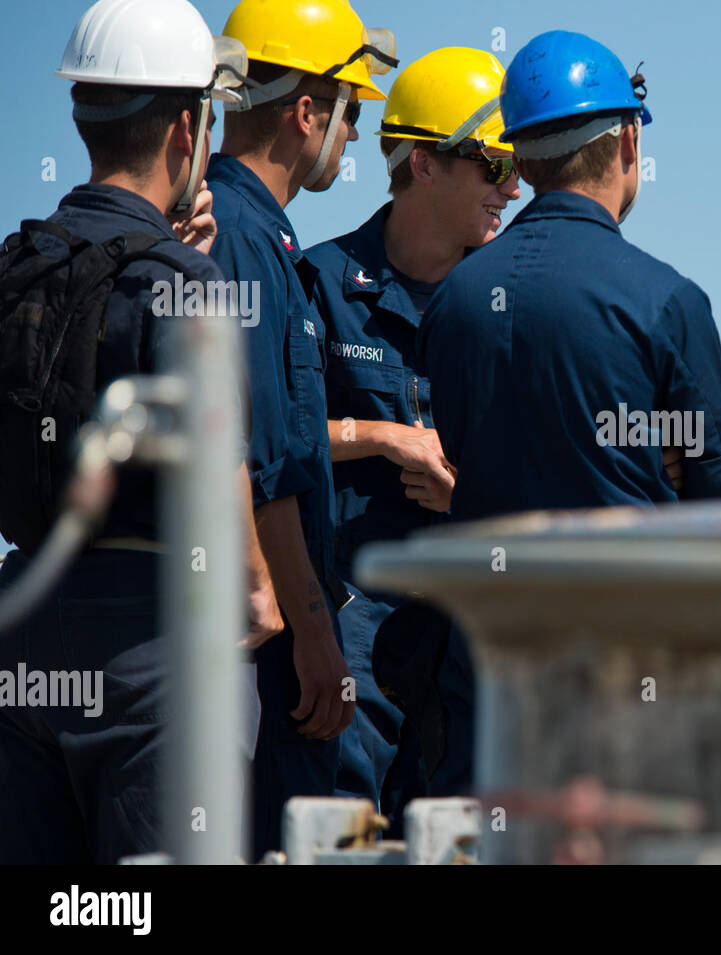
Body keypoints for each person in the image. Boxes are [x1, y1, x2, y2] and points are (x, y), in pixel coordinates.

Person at [0, 0, 274, 863]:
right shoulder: (184, 281)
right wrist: (260, 587)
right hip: (153, 647)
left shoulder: (16, 269)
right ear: (186, 131)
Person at [415, 30, 721, 523]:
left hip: (486, 596)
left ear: (522, 161)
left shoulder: (455, 295)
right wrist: (648, 437)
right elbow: (720, 478)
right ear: (628, 138)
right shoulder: (664, 300)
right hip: (624, 594)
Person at [305, 47, 520, 819]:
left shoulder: (511, 304)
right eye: (495, 163)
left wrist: (471, 491)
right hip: (350, 628)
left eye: (520, 164)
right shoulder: (320, 285)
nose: (514, 186)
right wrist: (384, 437)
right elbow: (267, 434)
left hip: (474, 633)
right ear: (424, 164)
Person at [208, 0, 396, 856]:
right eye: (350, 110)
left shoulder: (246, 230)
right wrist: (315, 627)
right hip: (269, 643)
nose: (354, 135)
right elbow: (257, 460)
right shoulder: (242, 237)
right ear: (306, 112)